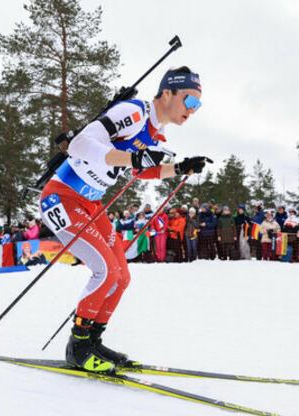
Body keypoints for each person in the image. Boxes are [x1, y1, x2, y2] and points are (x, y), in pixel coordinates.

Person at [38, 66, 208, 373]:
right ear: (167, 93)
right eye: (189, 101)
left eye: (198, 105)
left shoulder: (155, 133)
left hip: (91, 203)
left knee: (121, 275)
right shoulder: (134, 112)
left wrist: (181, 167)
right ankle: (77, 347)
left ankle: (92, 340)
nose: (192, 110)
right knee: (103, 271)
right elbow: (79, 145)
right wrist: (132, 158)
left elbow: (142, 170)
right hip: (61, 197)